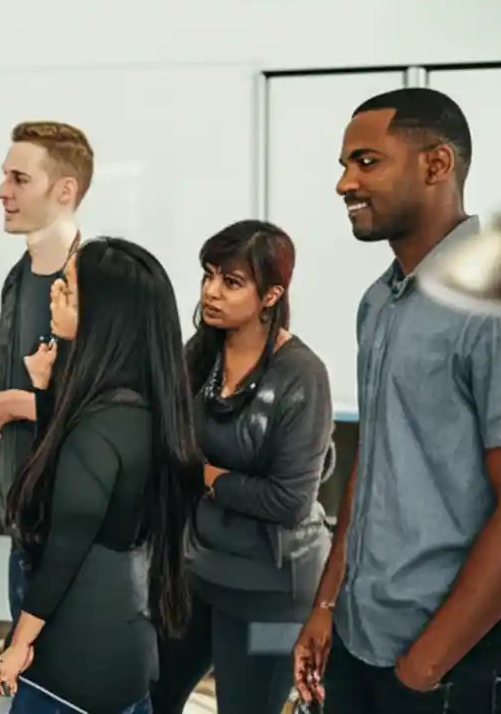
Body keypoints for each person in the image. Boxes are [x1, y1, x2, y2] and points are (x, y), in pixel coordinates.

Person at [292, 87, 501, 713]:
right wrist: (327, 605)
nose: (344, 183)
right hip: (363, 638)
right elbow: (373, 466)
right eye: (345, 164)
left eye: (366, 161)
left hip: (463, 656)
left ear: (436, 165)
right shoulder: (380, 301)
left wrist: (423, 669)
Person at [0, 237, 201, 714]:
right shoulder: (139, 407)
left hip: (75, 663)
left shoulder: (102, 427)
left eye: (67, 288)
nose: (54, 293)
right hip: (124, 646)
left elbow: (66, 545)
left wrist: (19, 643)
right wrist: (45, 392)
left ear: (104, 316)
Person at [151, 221, 335, 714]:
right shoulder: (200, 352)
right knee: (152, 693)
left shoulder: (302, 375)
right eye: (208, 275)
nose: (211, 292)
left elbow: (290, 502)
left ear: (272, 294)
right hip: (199, 569)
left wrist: (207, 478)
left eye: (231, 282)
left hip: (273, 591)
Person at [0, 120, 93, 627]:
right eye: (4, 177)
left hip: (75, 539)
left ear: (65, 190)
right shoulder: (16, 279)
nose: (2, 191)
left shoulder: (98, 286)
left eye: (19, 179)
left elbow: (118, 414)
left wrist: (20, 404)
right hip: (21, 523)